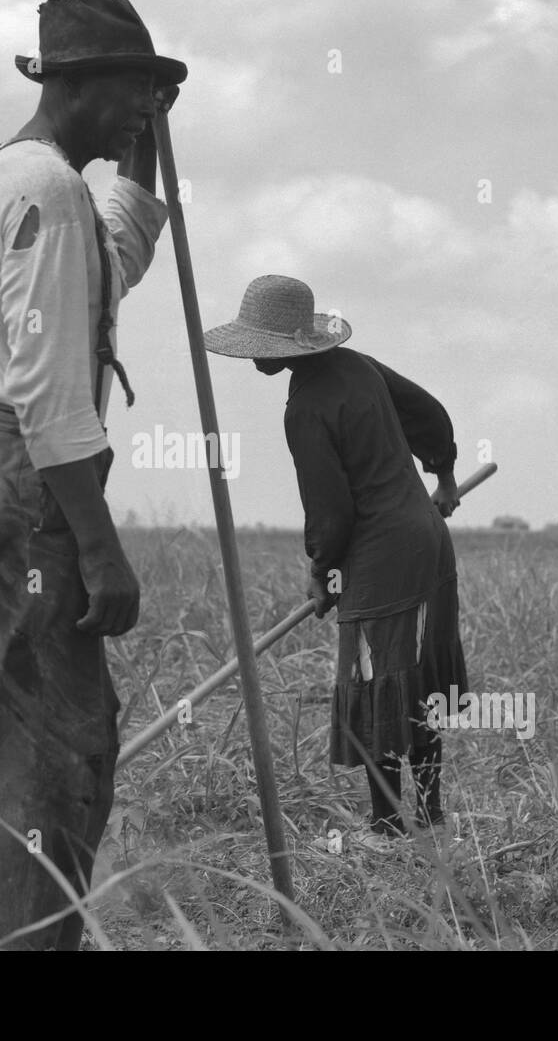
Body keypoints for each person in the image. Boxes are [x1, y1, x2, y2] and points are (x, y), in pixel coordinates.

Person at [0, 0, 185, 949]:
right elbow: (46, 392)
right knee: (48, 756)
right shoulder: (47, 191)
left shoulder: (24, 176)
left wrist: (144, 146)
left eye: (154, 97)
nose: (140, 109)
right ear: (73, 84)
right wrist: (102, 548)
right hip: (22, 473)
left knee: (28, 740)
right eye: (131, 90)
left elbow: (118, 254)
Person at [203, 275, 468, 848]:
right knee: (416, 679)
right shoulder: (359, 367)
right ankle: (432, 818)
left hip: (383, 554)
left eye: (264, 350)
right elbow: (429, 411)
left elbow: (330, 512)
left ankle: (388, 828)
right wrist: (443, 474)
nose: (256, 361)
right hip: (427, 539)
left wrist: (321, 571)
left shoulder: (305, 410)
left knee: (374, 681)